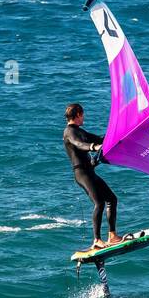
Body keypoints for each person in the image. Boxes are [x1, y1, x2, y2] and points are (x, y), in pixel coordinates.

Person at [63, 102, 121, 251]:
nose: (84, 117)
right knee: (99, 203)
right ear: (78, 115)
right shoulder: (69, 132)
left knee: (112, 199)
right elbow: (79, 144)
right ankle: (96, 240)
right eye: (82, 114)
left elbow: (100, 139)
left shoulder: (80, 130)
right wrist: (93, 147)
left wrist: (117, 135)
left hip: (90, 171)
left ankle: (112, 236)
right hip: (81, 173)